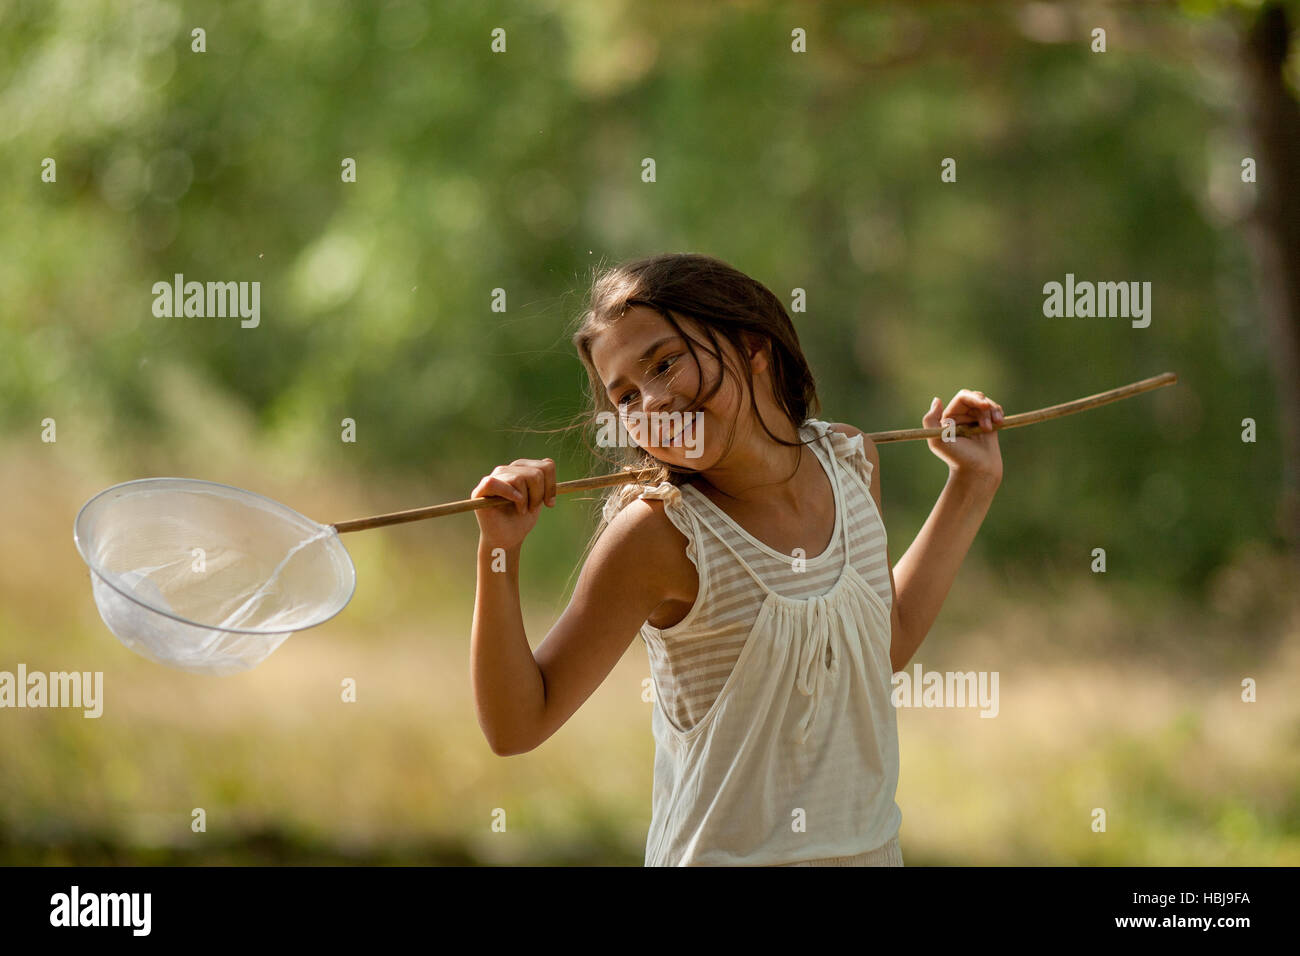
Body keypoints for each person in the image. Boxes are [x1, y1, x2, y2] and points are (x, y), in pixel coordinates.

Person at [469, 253, 1003, 866]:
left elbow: (879, 646)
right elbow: (516, 726)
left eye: (665, 364)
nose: (652, 405)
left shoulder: (852, 461)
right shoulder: (659, 536)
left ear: (754, 346)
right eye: (626, 397)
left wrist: (971, 485)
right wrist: (498, 552)